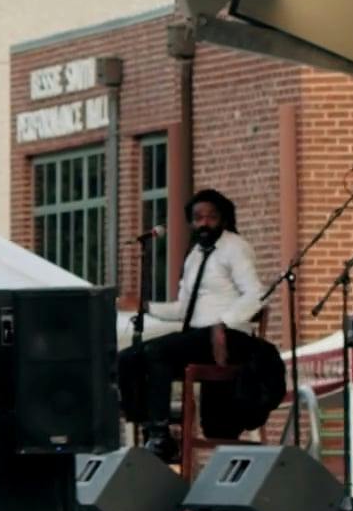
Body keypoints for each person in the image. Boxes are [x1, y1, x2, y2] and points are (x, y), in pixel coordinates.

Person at [118, 189, 277, 446]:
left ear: (223, 219)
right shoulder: (194, 256)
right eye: (198, 218)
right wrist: (144, 306)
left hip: (229, 337)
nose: (204, 223)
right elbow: (183, 309)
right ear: (191, 221)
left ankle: (160, 434)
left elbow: (257, 294)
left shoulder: (234, 248)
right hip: (196, 337)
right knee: (128, 358)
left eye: (211, 217)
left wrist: (223, 323)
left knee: (157, 351)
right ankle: (150, 427)